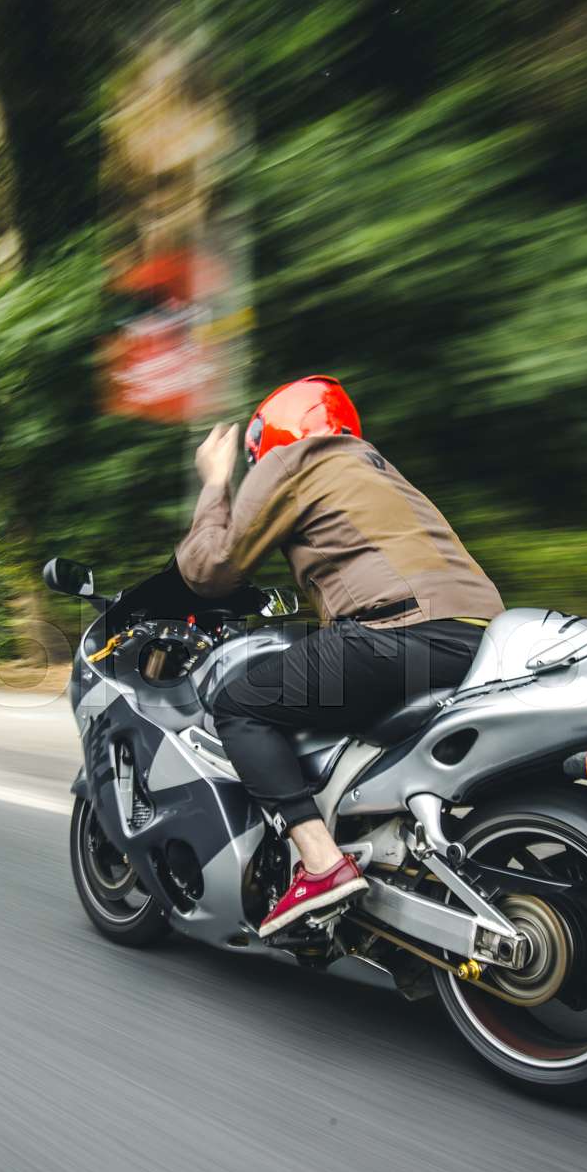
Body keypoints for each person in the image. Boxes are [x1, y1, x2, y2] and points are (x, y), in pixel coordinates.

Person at [176, 376, 503, 939]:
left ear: (270, 437)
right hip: (479, 638)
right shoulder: (377, 468)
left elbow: (213, 569)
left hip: (395, 633)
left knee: (241, 706)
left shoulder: (293, 462)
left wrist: (215, 482)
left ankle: (321, 863)